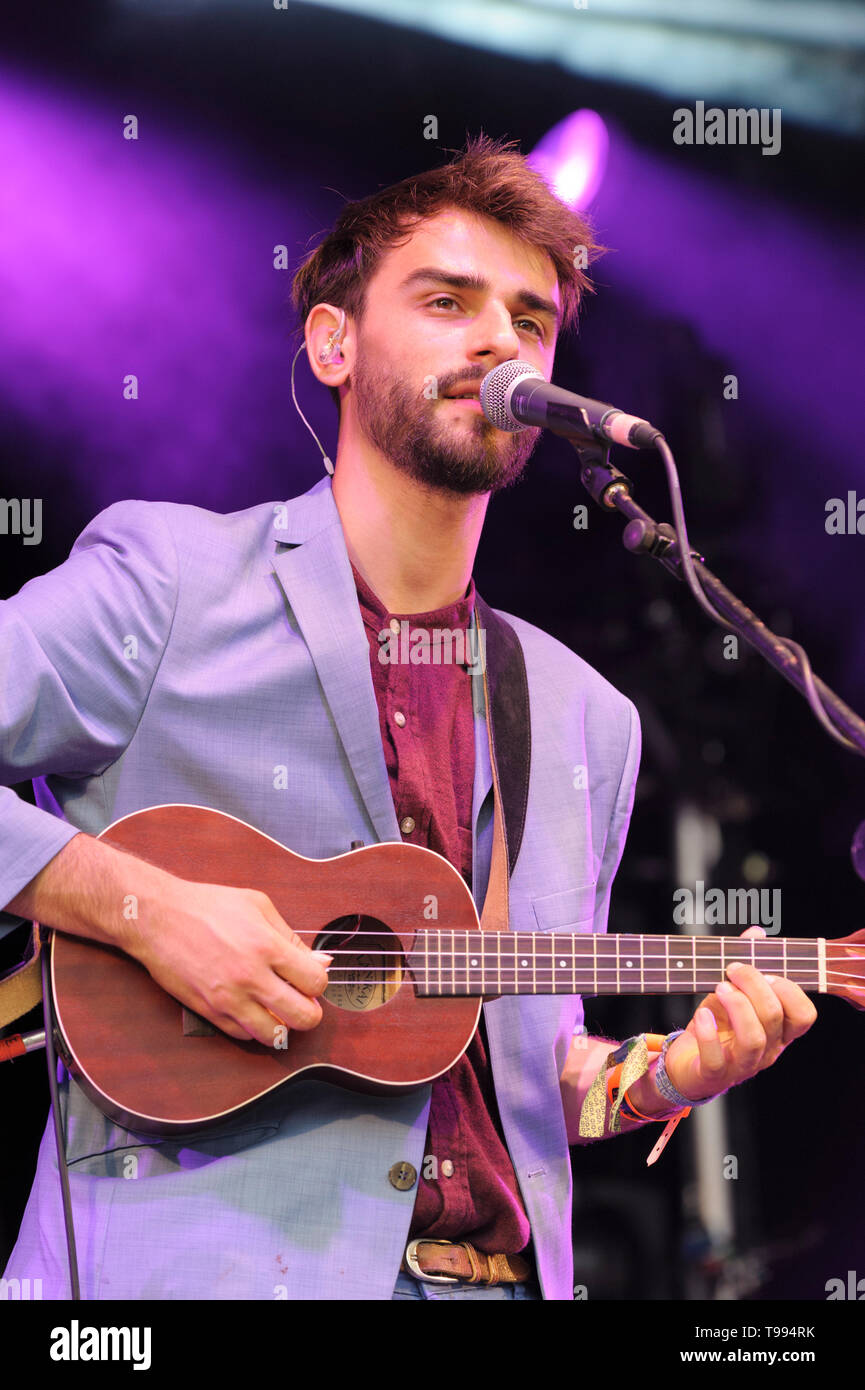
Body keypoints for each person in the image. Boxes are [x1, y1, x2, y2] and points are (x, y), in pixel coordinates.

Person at [0, 135, 816, 1301]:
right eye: (447, 301)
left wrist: (670, 1076)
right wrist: (147, 908)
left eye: (529, 320)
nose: (498, 342)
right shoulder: (169, 578)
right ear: (333, 344)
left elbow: (531, 1068)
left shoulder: (586, 718)